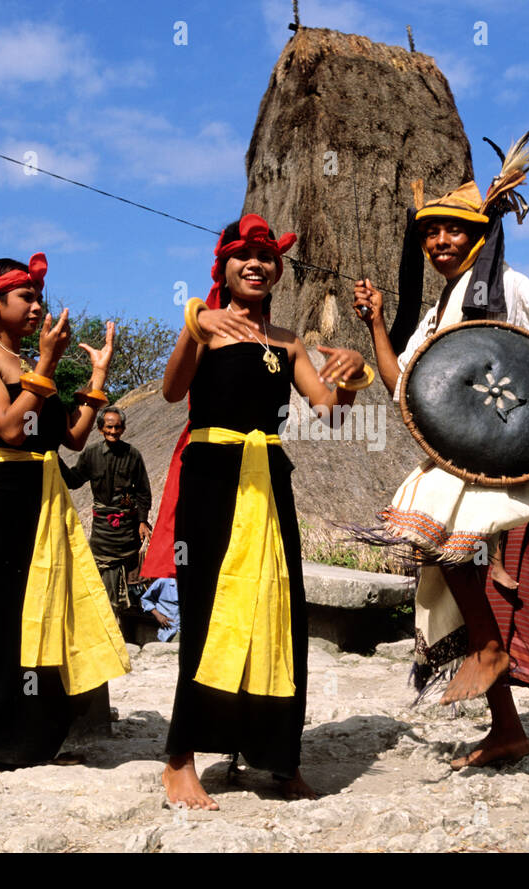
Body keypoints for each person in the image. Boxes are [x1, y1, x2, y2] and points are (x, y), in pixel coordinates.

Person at [355, 139, 529, 765]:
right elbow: (403, 386)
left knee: (438, 535)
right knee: (437, 551)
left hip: (509, 451)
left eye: (453, 231)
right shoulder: (440, 310)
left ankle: (493, 651)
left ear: (479, 234)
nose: (440, 241)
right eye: (430, 232)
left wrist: (509, 404)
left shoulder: (511, 287)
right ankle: (507, 725)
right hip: (460, 455)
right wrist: (379, 322)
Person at [159, 213, 370, 810]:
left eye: (267, 258)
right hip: (212, 479)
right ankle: (180, 759)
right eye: (243, 256)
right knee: (204, 610)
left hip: (270, 482)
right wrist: (193, 324)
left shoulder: (288, 341)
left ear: (278, 271)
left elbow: (329, 411)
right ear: (223, 267)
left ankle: (279, 757)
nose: (256, 265)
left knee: (278, 611)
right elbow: (175, 392)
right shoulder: (206, 325)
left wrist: (351, 376)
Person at [0, 255, 131, 775]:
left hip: (39, 499)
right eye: (27, 297)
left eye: (40, 297)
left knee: (39, 614)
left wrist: (98, 375)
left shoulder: (24, 363)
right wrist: (43, 366)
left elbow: (72, 435)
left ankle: (31, 737)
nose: (38, 306)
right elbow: (9, 428)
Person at [61, 405, 153, 613]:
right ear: (101, 429)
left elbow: (143, 491)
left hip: (129, 529)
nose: (113, 432)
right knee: (100, 578)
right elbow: (74, 480)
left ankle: (131, 628)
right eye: (109, 427)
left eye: (118, 427)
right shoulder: (91, 454)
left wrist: (142, 520)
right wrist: (53, 458)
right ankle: (107, 622)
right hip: (103, 531)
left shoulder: (133, 455)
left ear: (123, 429)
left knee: (133, 580)